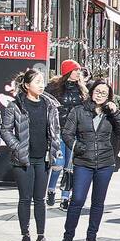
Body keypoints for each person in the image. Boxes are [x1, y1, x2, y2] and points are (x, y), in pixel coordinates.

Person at [57, 79, 120, 241]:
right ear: (91, 92)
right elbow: (67, 134)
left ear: (109, 96)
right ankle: (67, 238)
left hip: (105, 163)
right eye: (97, 91)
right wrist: (77, 147)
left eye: (104, 93)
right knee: (77, 200)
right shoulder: (79, 111)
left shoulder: (110, 113)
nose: (100, 95)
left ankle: (91, 238)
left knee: (98, 202)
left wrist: (116, 112)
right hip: (83, 162)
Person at [0, 68, 61, 241]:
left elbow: (55, 131)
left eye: (42, 82)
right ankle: (25, 235)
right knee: (25, 198)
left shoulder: (50, 105)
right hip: (23, 159)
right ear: (26, 86)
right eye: (37, 82)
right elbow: (5, 130)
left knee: (40, 199)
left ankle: (41, 236)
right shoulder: (16, 105)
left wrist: (55, 150)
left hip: (43, 159)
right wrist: (17, 147)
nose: (41, 85)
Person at [45, 60, 87, 210]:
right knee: (58, 164)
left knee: (70, 167)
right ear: (67, 71)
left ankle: (65, 197)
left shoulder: (82, 89)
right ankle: (50, 189)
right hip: (58, 131)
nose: (78, 73)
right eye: (75, 70)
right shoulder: (53, 88)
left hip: (74, 132)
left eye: (79, 70)